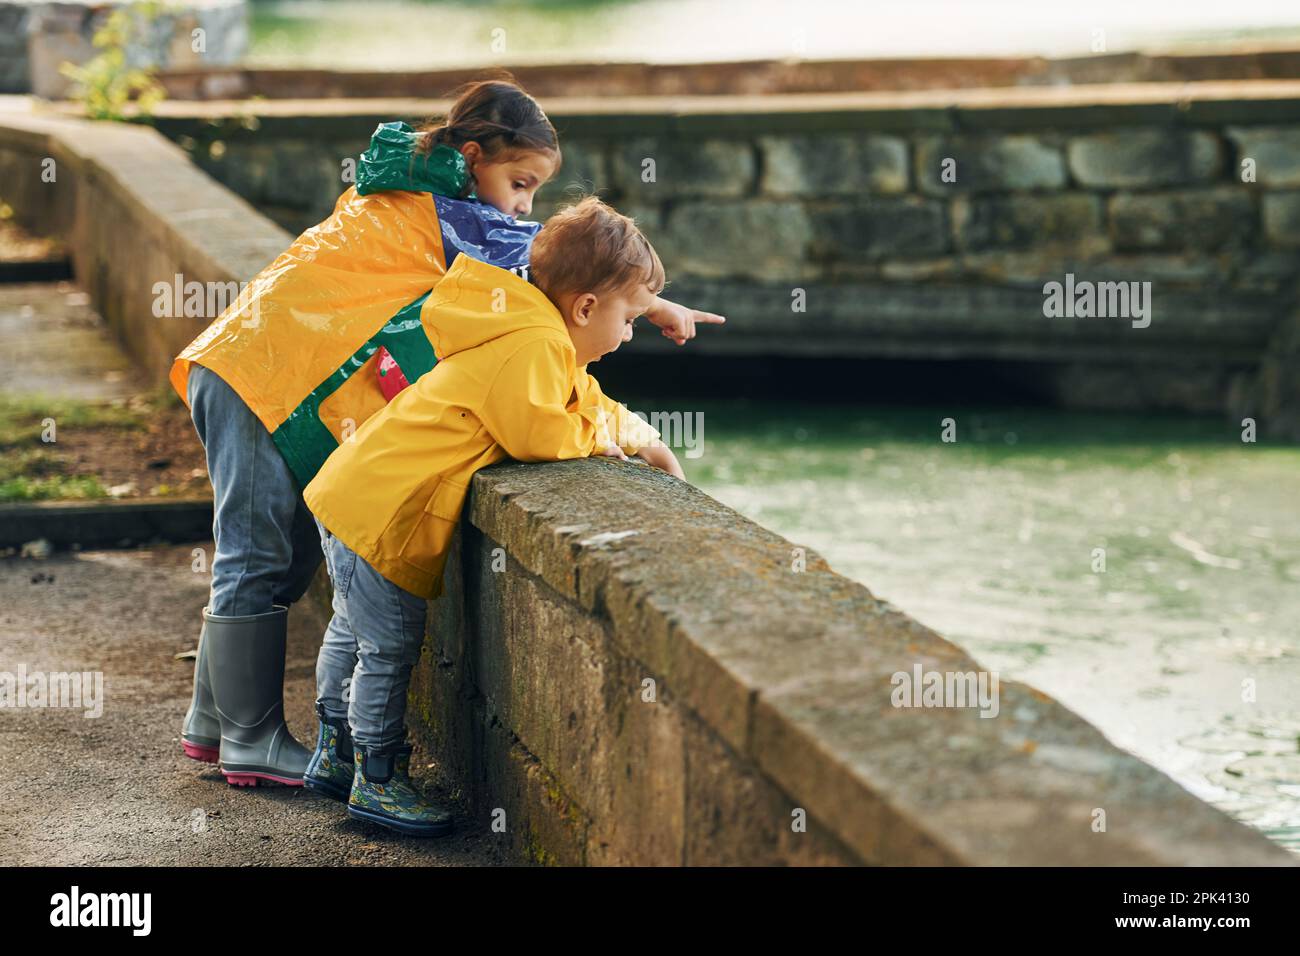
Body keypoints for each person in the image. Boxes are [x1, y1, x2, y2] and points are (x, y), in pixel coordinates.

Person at [174, 78, 716, 787]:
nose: (524, 203)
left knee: (266, 551)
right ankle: (248, 737)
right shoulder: (451, 214)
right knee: (255, 552)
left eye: (533, 191)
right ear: (471, 155)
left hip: (259, 364)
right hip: (258, 370)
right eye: (519, 182)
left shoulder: (412, 189)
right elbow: (560, 259)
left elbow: (548, 262)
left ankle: (213, 727)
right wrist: (655, 304)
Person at [301, 197, 683, 834]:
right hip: (381, 510)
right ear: (585, 308)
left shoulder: (531, 332)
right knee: (388, 645)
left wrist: (643, 438)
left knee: (351, 627)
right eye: (631, 318)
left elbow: (582, 399)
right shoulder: (533, 344)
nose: (629, 334)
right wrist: (597, 440)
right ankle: (377, 776)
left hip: (354, 490)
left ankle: (334, 749)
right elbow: (539, 433)